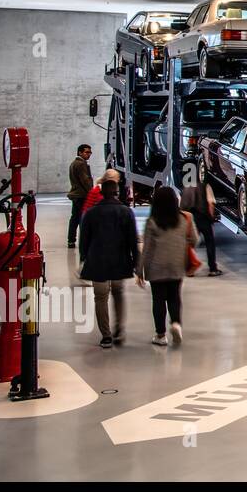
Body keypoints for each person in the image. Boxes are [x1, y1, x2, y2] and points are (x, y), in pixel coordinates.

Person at [77, 178, 139, 348]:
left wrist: (84, 258)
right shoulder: (126, 212)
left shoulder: (91, 213)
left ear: (102, 193)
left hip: (97, 262)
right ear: (116, 192)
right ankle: (119, 329)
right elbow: (132, 240)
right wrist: (136, 262)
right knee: (118, 293)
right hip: (119, 260)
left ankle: (106, 335)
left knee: (100, 297)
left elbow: (83, 240)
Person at [137, 185, 196, 347]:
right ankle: (176, 323)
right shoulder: (184, 220)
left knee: (158, 300)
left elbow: (147, 248)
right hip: (177, 265)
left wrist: (139, 271)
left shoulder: (152, 222)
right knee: (175, 297)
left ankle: (160, 335)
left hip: (156, 268)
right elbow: (195, 240)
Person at [180, 178, 221, 277]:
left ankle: (189, 269)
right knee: (209, 242)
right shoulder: (205, 185)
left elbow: (181, 205)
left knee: (190, 244)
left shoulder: (185, 187)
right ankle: (212, 269)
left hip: (190, 218)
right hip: (203, 217)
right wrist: (211, 217)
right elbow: (210, 203)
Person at [66, 143, 93, 248]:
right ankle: (84, 241)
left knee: (75, 219)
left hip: (76, 195)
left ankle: (71, 240)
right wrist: (92, 192)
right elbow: (85, 180)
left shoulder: (74, 163)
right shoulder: (81, 164)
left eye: (90, 152)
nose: (89, 154)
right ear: (80, 152)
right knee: (83, 219)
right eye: (86, 152)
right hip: (82, 196)